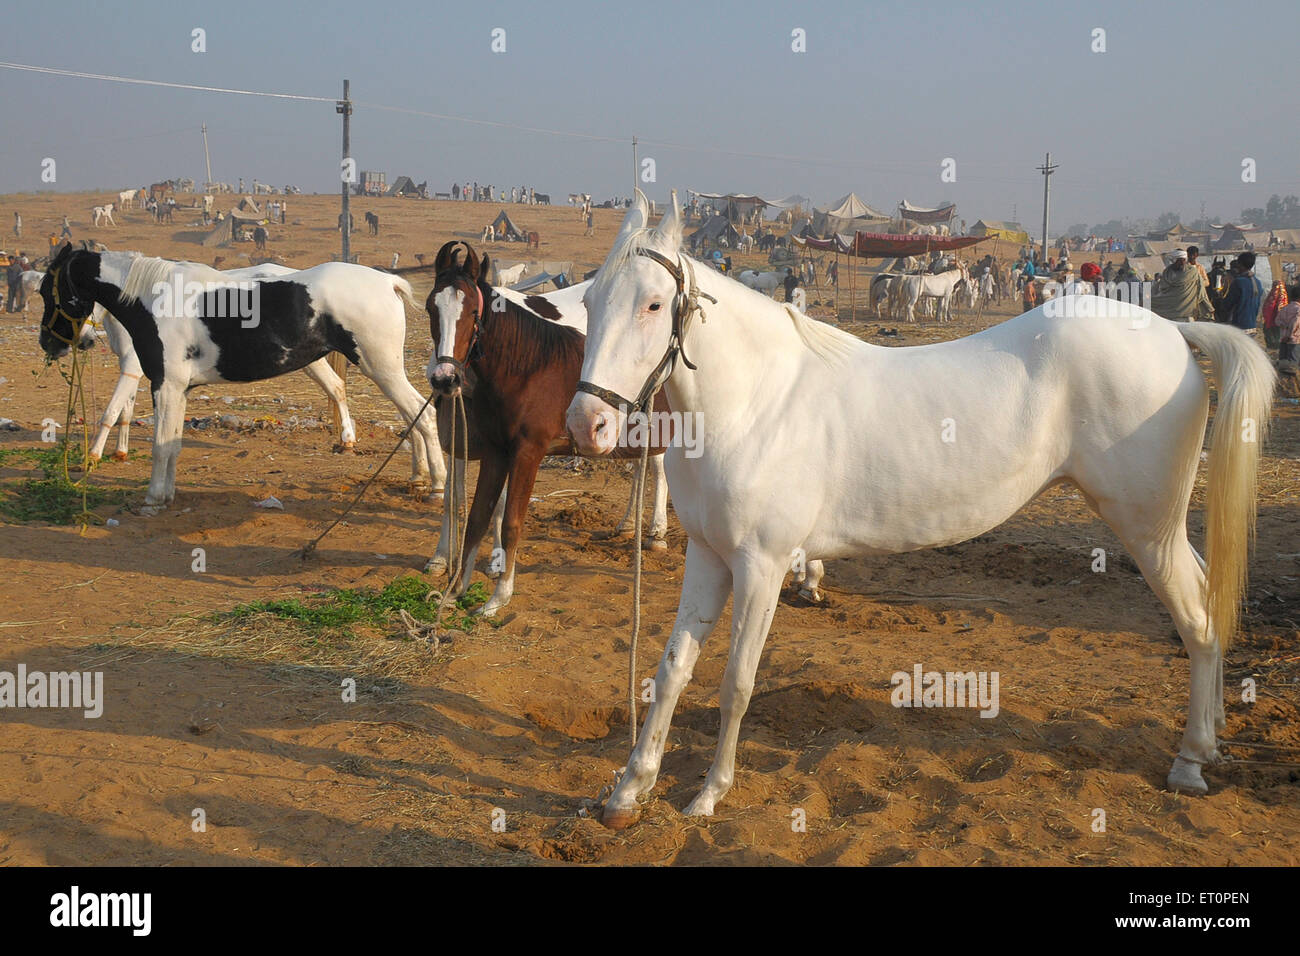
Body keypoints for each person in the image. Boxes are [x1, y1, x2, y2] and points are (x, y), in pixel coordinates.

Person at [1150, 250, 1212, 321]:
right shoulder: (1167, 272)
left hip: (1187, 309)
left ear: (1184, 260)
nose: (1180, 263)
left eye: (1182, 260)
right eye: (1177, 261)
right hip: (1168, 302)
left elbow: (1202, 288)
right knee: (1147, 304)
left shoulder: (1193, 272)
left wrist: (1207, 306)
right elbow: (1162, 288)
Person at [1221, 251, 1264, 333]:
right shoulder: (1258, 282)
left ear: (1240, 264)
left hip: (1239, 326)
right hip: (1252, 325)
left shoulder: (1238, 282)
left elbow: (1227, 304)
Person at [1261, 278, 1289, 349]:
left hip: (1272, 322)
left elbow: (1266, 309)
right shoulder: (1283, 297)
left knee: (1273, 338)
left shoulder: (1271, 297)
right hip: (1277, 323)